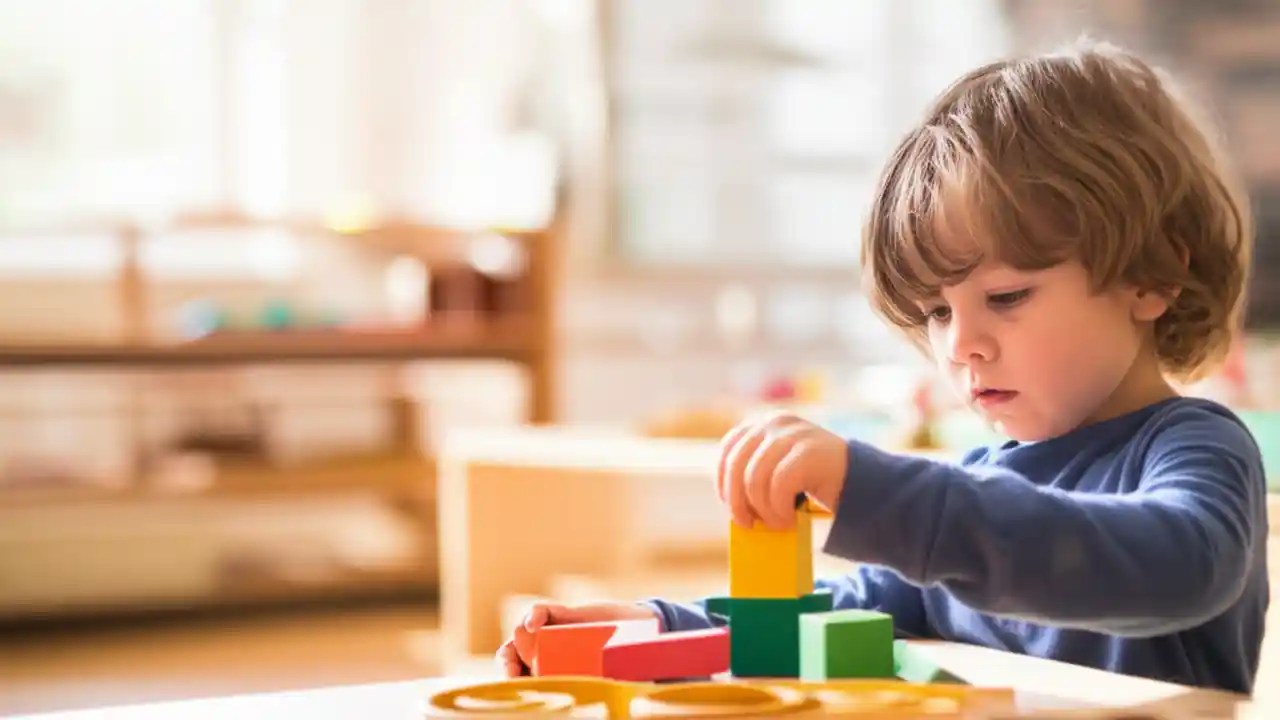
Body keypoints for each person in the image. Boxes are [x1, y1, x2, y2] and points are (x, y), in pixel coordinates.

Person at [497, 40, 1268, 693]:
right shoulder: (982, 480)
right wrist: (658, 628)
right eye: (937, 312)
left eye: (1005, 295)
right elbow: (849, 614)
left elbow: (1174, 565)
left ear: (1152, 277)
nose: (959, 345)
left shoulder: (1195, 448)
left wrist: (882, 492)